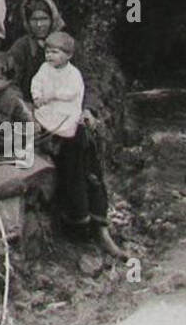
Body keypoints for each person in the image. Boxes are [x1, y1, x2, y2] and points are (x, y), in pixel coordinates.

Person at [31, 30, 121, 256]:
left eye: (55, 52)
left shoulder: (73, 71)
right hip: (46, 112)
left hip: (68, 114)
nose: (50, 56)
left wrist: (86, 109)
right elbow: (32, 82)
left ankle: (98, 224)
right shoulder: (36, 60)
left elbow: (78, 90)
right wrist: (37, 97)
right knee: (68, 164)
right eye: (48, 52)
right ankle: (77, 227)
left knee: (83, 156)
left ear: (68, 54)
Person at [7, 0, 65, 101]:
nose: (39, 24)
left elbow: (87, 80)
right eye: (34, 20)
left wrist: (88, 108)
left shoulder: (65, 44)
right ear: (27, 22)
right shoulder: (21, 46)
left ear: (52, 19)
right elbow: (10, 81)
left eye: (44, 19)